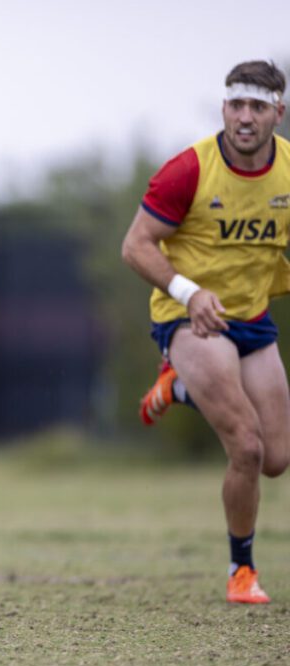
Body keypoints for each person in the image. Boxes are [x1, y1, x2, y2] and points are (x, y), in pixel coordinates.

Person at [121, 60, 289, 604]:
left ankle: (178, 387)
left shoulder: (288, 171)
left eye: (257, 107)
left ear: (277, 114)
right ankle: (242, 572)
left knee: (275, 459)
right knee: (245, 444)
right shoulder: (189, 169)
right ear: (224, 108)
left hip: (253, 319)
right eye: (236, 105)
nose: (245, 117)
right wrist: (189, 293)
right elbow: (135, 246)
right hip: (189, 318)